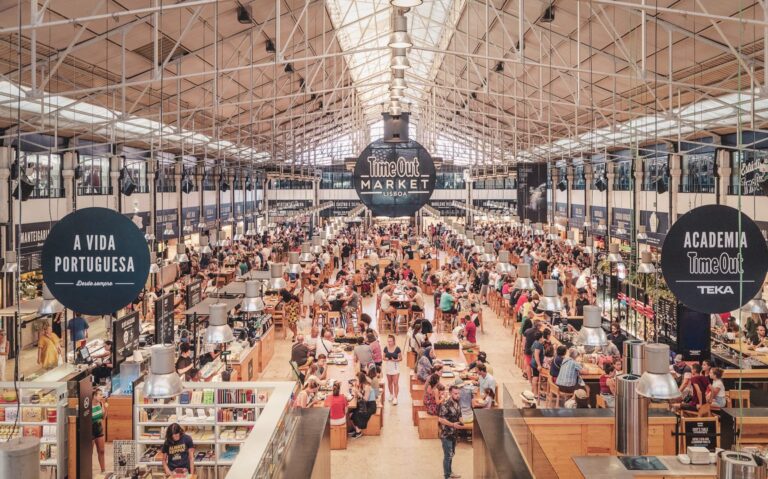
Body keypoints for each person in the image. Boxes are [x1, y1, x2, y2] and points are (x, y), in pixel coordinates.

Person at [437, 385, 463, 479]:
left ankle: (450, 472)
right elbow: (440, 419)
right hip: (446, 434)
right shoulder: (446, 405)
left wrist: (461, 420)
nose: (458, 395)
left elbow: (459, 414)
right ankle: (446, 476)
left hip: (454, 434)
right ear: (451, 393)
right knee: (447, 456)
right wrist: (452, 425)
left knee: (451, 454)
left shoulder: (457, 402)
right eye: (455, 393)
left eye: (458, 393)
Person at [383, 334, 402, 405]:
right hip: (388, 367)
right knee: (389, 382)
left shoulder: (397, 348)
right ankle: (391, 394)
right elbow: (383, 357)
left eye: (390, 341)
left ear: (394, 341)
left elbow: (401, 358)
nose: (389, 342)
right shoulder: (385, 348)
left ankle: (395, 397)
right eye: (388, 341)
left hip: (395, 367)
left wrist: (395, 360)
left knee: (395, 383)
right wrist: (386, 359)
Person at [91, 388, 107, 472]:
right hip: (90, 430)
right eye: (100, 395)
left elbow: (103, 417)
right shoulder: (88, 406)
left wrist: (105, 409)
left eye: (102, 394)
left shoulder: (101, 403)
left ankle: (103, 470)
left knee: (101, 451)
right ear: (94, 396)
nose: (102, 396)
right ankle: (88, 470)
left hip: (99, 429)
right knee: (89, 453)